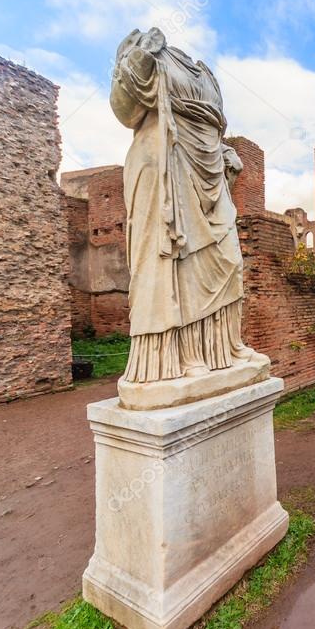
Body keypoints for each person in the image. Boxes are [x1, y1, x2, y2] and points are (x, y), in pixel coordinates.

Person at [110, 27, 260, 383]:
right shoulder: (141, 45)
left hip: (209, 169)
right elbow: (124, 107)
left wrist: (224, 152)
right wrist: (142, 55)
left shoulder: (205, 74)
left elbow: (211, 127)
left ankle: (225, 348)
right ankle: (180, 356)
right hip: (165, 162)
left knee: (230, 262)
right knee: (177, 265)